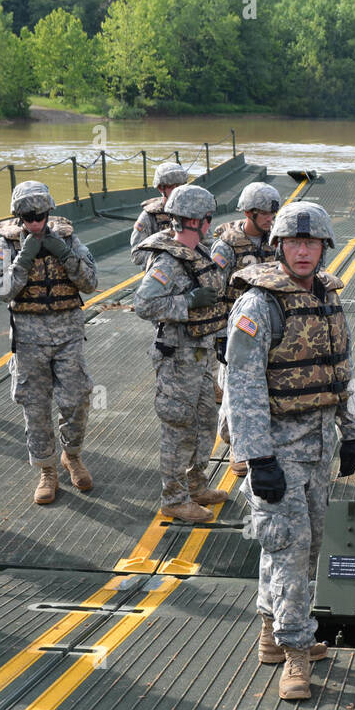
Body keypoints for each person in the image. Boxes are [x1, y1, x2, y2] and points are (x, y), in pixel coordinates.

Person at [225, 202, 355, 700]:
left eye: (312, 243)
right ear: (278, 246)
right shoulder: (259, 304)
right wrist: (258, 459)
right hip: (277, 449)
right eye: (293, 243)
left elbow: (339, 370)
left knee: (298, 547)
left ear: (324, 248)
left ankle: (270, 631)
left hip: (320, 444)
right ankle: (297, 655)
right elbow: (241, 386)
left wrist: (351, 431)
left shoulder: (327, 297)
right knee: (290, 549)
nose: (303, 251)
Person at [0, 181, 98, 504]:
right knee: (35, 407)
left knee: (77, 398)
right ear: (18, 216)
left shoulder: (68, 238)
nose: (35, 222)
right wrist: (23, 259)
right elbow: (1, 291)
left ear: (49, 212)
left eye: (40, 215)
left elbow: (91, 282)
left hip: (67, 333)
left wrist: (64, 255)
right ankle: (47, 469)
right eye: (28, 216)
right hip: (29, 337)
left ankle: (72, 454)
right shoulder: (4, 245)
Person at [132, 185, 231, 523]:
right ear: (200, 220)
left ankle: (195, 485)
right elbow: (143, 304)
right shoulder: (167, 260)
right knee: (178, 429)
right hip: (177, 357)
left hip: (200, 355)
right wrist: (187, 303)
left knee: (204, 423)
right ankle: (173, 499)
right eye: (207, 219)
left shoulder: (197, 253)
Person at [212, 181, 281, 474]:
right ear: (249, 213)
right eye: (264, 213)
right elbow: (214, 291)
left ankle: (265, 443)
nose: (270, 218)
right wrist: (218, 335)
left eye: (273, 213)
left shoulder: (278, 240)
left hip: (272, 327)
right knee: (234, 390)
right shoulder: (226, 246)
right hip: (236, 329)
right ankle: (236, 446)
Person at [130, 162, 191, 261]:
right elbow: (137, 254)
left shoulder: (193, 211)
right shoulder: (149, 217)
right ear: (160, 188)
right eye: (171, 186)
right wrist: (166, 258)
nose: (177, 190)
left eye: (180, 185)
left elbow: (207, 243)